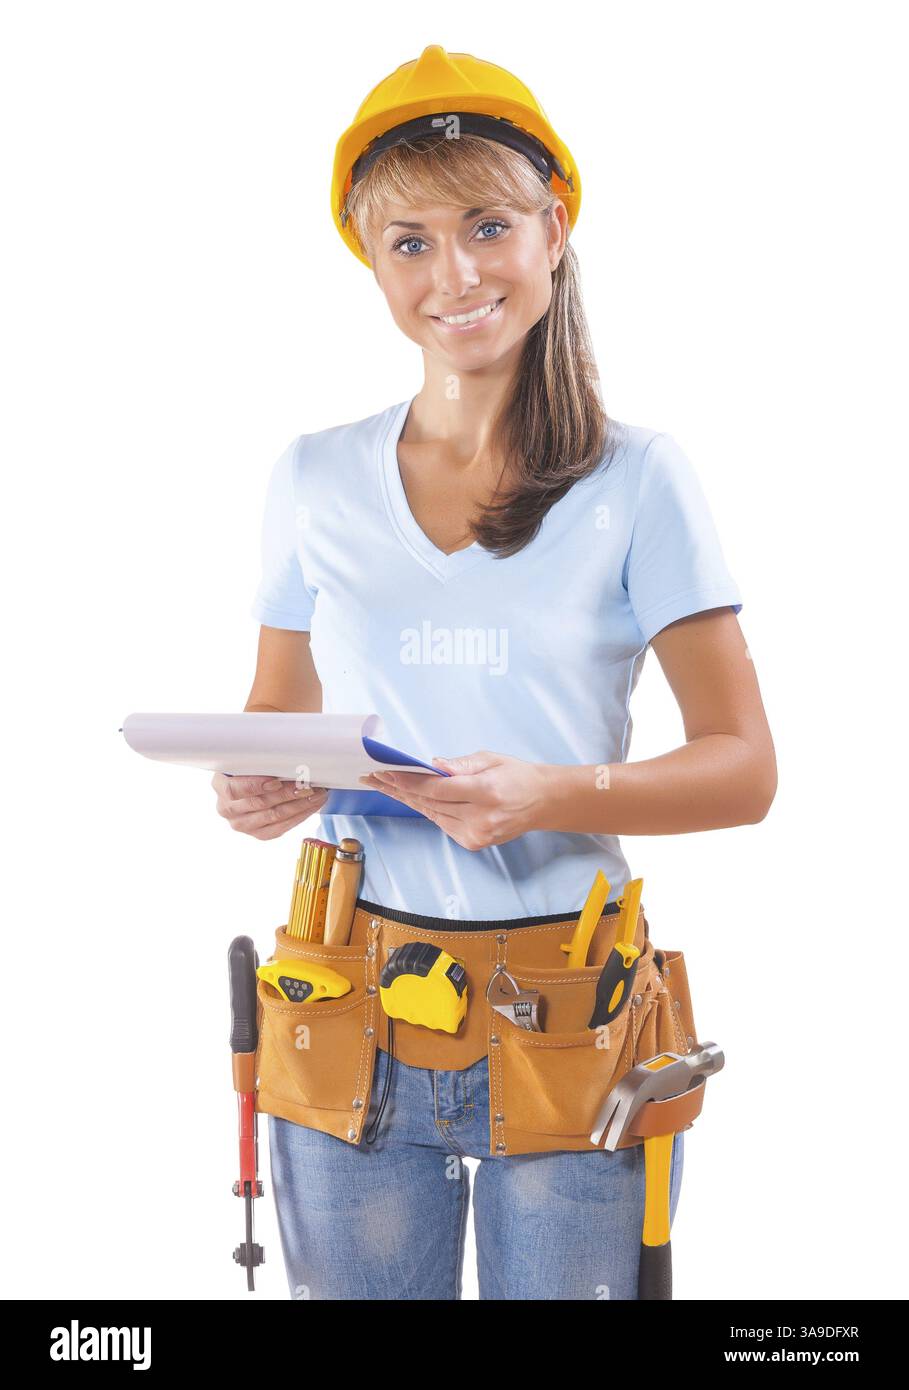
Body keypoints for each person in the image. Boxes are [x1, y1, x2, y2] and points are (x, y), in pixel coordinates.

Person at [211, 47, 776, 1300]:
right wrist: (265, 783)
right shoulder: (311, 479)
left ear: (552, 227)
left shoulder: (638, 480)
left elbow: (744, 768)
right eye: (408, 241)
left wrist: (550, 792)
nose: (454, 274)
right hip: (345, 993)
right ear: (369, 258)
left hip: (569, 1013)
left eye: (487, 225)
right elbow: (277, 717)